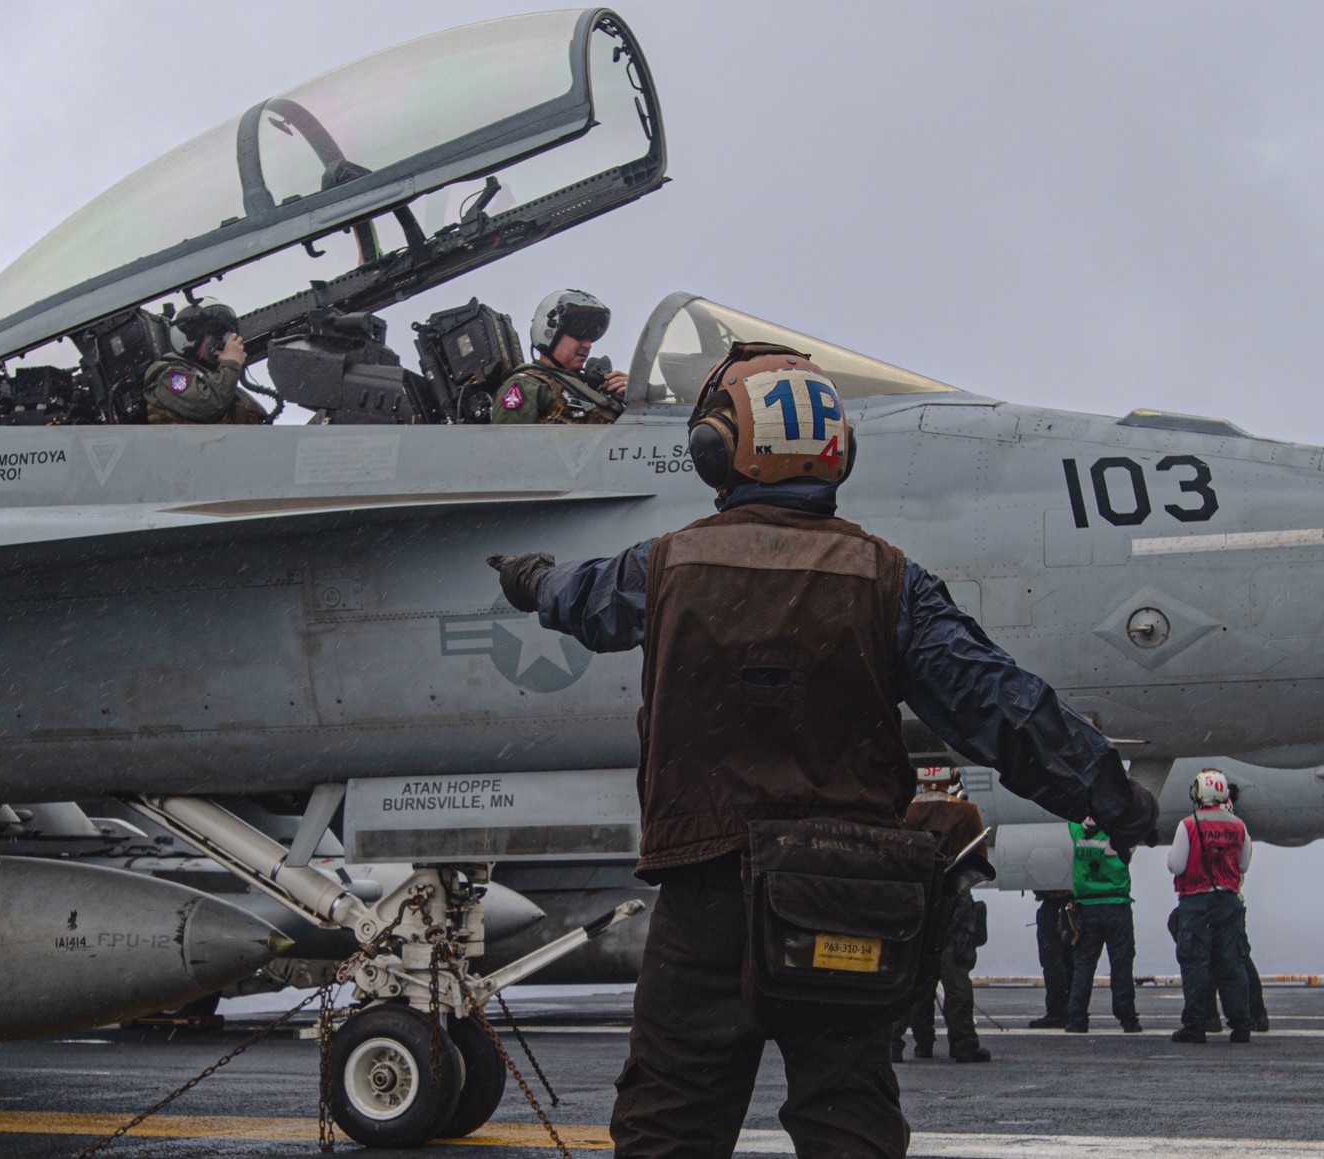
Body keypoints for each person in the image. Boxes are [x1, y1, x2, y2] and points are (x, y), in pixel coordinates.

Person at [487, 341, 1157, 1158]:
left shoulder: (665, 566)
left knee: (669, 1129)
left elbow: (579, 601)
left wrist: (529, 578)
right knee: (849, 1121)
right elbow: (1003, 706)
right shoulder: (889, 580)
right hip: (845, 900)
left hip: (708, 904)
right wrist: (1110, 795)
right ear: (836, 451)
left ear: (715, 449)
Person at [896, 767, 990, 1064]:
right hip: (956, 900)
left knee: (911, 973)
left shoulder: (904, 813)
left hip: (916, 899)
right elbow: (980, 860)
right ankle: (963, 1044)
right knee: (956, 974)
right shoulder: (966, 812)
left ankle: (904, 1043)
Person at [1168, 768, 1255, 1044]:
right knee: (1232, 964)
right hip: (1229, 903)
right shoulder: (1238, 825)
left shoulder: (1189, 824)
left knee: (1195, 965)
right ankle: (1241, 1025)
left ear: (1199, 792)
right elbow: (1243, 864)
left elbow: (1176, 864)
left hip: (1196, 902)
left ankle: (1195, 1026)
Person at [489, 289, 628, 424]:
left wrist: (632, 400)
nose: (587, 345)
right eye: (579, 334)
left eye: (591, 337)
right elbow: (506, 444)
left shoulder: (595, 392)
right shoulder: (528, 386)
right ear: (549, 332)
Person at [1065, 817, 1140, 1033]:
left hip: (1087, 907)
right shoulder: (1121, 831)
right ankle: (1128, 1019)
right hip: (1117, 905)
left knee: (1084, 964)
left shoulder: (1078, 831)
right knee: (1122, 964)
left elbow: (1069, 816)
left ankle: (1077, 1018)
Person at [142, 301, 269, 425]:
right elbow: (209, 405)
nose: (224, 343)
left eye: (226, 336)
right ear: (194, 340)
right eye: (217, 336)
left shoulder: (218, 381)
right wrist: (231, 363)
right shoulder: (167, 375)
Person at [1028, 888, 1077, 1029]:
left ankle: (1057, 1012)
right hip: (1073, 904)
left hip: (1054, 905)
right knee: (1071, 961)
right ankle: (1072, 1009)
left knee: (1052, 960)